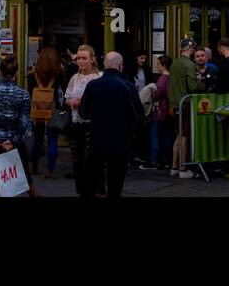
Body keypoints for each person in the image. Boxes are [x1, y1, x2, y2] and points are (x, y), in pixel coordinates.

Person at [80, 52, 145, 198]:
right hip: (120, 142)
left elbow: (83, 113)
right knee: (115, 183)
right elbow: (139, 116)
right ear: (120, 66)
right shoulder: (128, 87)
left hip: (96, 141)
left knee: (92, 180)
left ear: (105, 65)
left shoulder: (92, 85)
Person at [0, 55, 39, 197]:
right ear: (17, 73)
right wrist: (13, 140)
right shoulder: (23, 94)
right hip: (14, 141)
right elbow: (24, 121)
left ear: (0, 71)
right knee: (24, 172)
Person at [64, 44, 102, 195]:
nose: (80, 61)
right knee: (77, 161)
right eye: (78, 58)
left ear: (92, 59)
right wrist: (72, 102)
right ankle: (80, 190)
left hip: (93, 125)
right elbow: (66, 98)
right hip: (76, 123)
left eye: (84, 58)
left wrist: (85, 102)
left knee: (92, 161)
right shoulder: (75, 77)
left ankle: (95, 190)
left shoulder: (100, 77)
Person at [29, 46, 65, 179]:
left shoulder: (33, 75)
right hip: (52, 110)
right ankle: (50, 171)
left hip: (37, 110)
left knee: (37, 140)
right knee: (52, 140)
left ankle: (34, 168)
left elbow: (29, 94)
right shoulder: (59, 74)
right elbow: (63, 91)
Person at [167, 39, 198, 179]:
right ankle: (183, 167)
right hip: (185, 104)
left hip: (174, 104)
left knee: (178, 136)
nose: (193, 51)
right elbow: (193, 87)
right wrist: (201, 82)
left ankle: (174, 166)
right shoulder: (189, 64)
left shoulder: (174, 63)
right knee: (184, 136)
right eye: (193, 49)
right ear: (190, 49)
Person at [143, 54, 174, 171]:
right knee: (168, 136)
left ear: (164, 65)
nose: (157, 66)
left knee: (155, 135)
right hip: (169, 110)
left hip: (160, 110)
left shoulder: (162, 78)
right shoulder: (172, 77)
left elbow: (158, 93)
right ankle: (166, 161)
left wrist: (152, 94)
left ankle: (154, 160)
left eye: (158, 64)